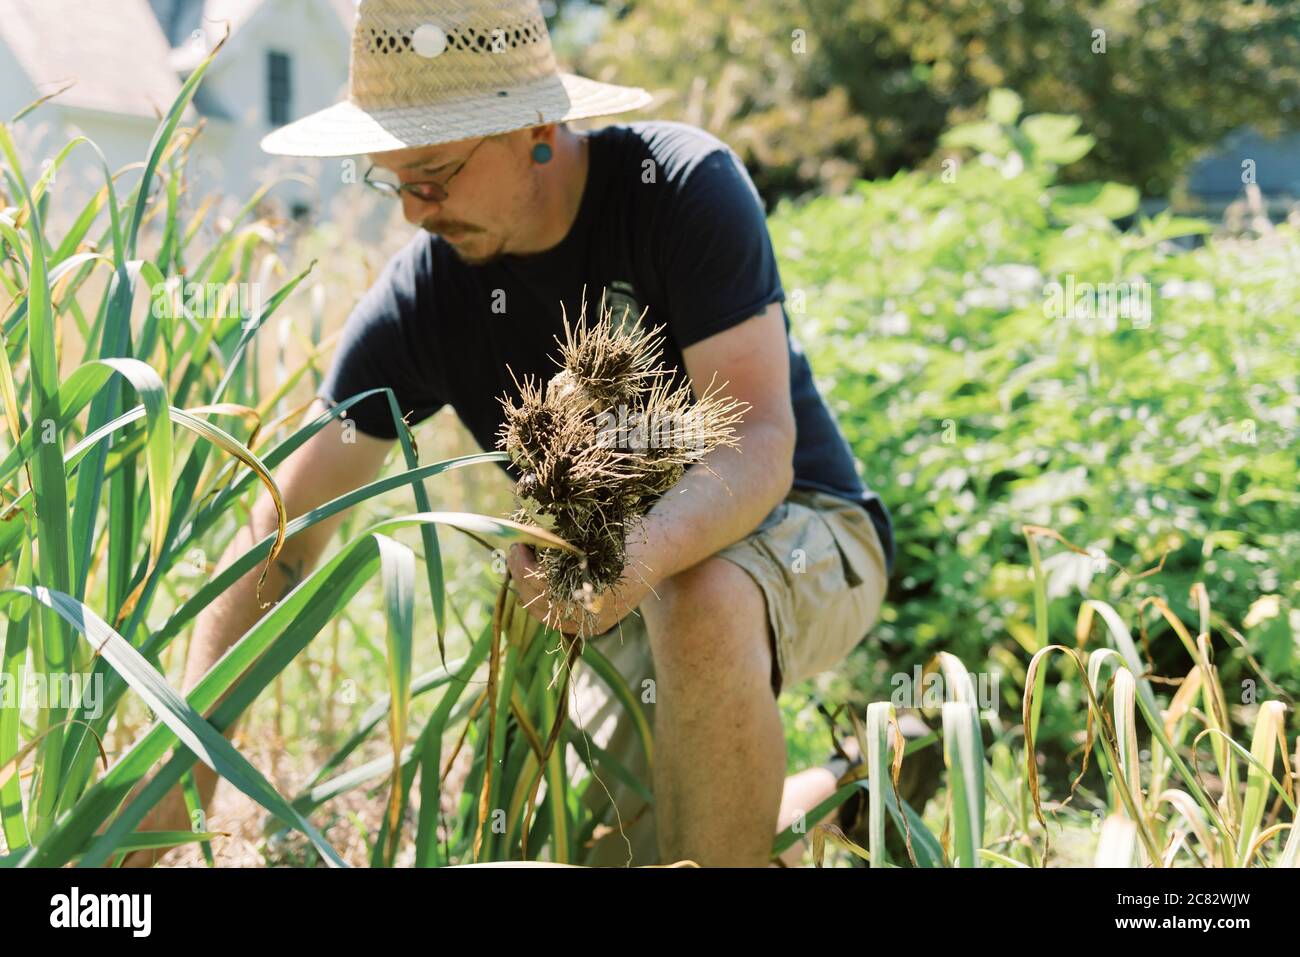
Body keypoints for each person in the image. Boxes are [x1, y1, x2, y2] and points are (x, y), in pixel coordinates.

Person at [126, 0, 895, 868]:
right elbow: (286, 535)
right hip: (628, 595)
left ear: (535, 124)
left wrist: (631, 564)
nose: (417, 212)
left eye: (436, 174)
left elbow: (755, 441)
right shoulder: (419, 304)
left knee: (704, 594)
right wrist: (181, 759)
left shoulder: (677, 189)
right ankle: (859, 791)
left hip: (802, 527)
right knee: (635, 847)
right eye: (393, 181)